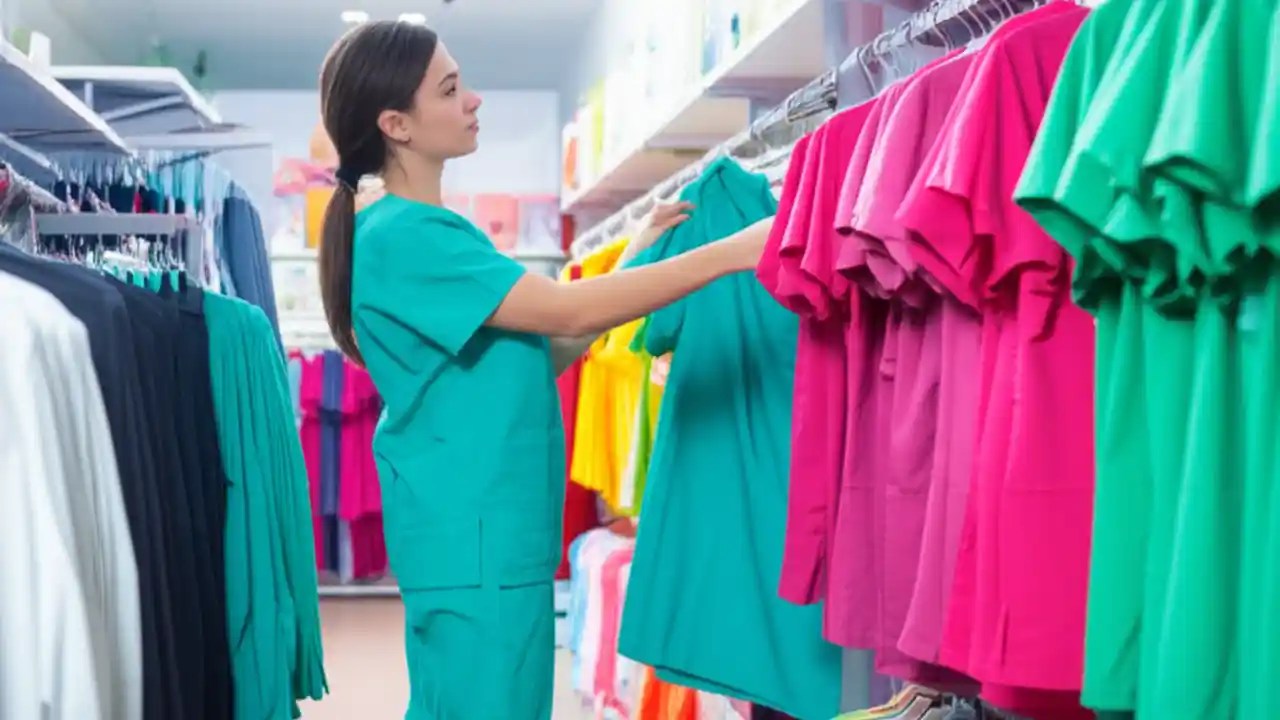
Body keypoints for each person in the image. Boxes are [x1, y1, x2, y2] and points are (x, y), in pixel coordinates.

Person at [317, 19, 773, 720]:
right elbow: (562, 313)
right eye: (450, 88)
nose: (473, 100)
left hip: (483, 535)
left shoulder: (422, 231)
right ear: (395, 125)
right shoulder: (409, 236)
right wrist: (734, 252)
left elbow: (543, 350)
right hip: (476, 538)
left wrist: (640, 251)